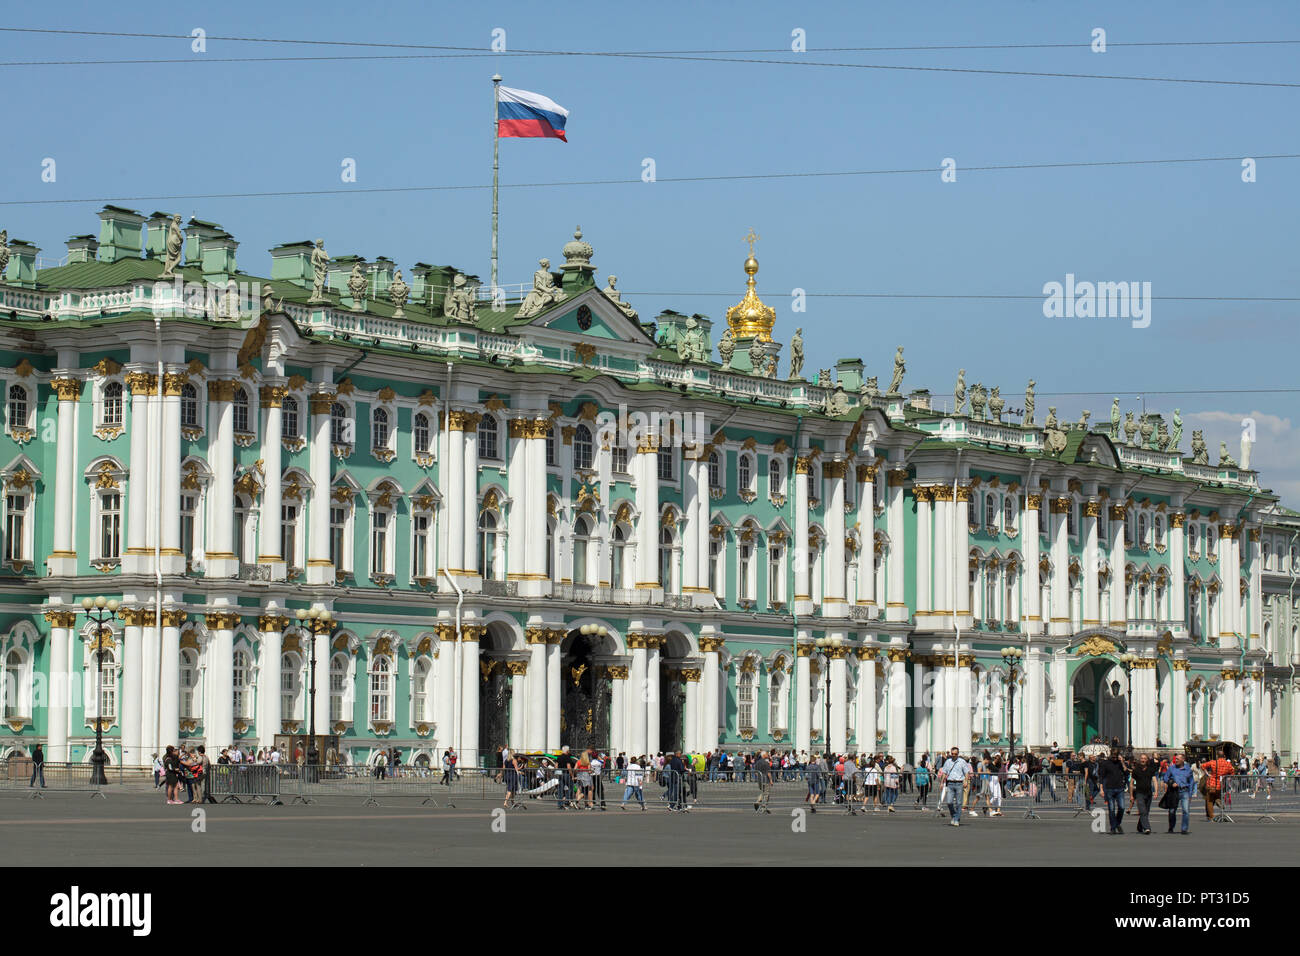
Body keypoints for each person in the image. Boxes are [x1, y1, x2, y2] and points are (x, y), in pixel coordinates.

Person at [1097, 749, 1129, 834]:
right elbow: (1102, 776)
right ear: (1111, 755)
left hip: (1120, 788)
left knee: (1122, 807)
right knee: (1111, 809)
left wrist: (1122, 762)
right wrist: (1101, 789)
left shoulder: (1120, 763)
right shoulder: (1106, 763)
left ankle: (1117, 823)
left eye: (1116, 756)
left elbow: (1126, 773)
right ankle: (1113, 828)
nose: (1115, 758)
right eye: (1113, 756)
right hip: (1109, 788)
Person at [938, 747, 972, 826]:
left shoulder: (962, 762)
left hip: (959, 783)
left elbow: (967, 772)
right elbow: (944, 772)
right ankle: (954, 816)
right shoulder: (948, 761)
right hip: (950, 783)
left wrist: (966, 781)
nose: (953, 755)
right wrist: (942, 783)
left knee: (959, 803)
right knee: (949, 802)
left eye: (955, 754)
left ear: (958, 754)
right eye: (952, 754)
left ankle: (956, 819)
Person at [1163, 753, 1195, 834]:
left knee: (1186, 811)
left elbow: (1191, 782)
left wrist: (1190, 794)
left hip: (1185, 791)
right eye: (1175, 759)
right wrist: (1171, 783)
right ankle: (1171, 827)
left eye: (1177, 759)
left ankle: (1184, 829)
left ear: (1183, 760)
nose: (1175, 760)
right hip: (1174, 792)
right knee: (1172, 811)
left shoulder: (1188, 769)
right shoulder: (1171, 768)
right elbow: (1165, 778)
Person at [1202, 749, 1234, 820]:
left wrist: (1208, 774)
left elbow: (1203, 766)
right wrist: (1228, 778)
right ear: (1224, 756)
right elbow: (1232, 771)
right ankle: (1218, 801)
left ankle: (1211, 816)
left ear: (1217, 756)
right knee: (1217, 795)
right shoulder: (1227, 764)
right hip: (1220, 785)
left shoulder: (1213, 762)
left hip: (1211, 784)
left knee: (1209, 801)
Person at [1129, 752, 1157, 834]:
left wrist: (1156, 791)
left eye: (1145, 758)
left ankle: (1139, 826)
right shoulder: (1136, 770)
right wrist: (1131, 795)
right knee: (1142, 811)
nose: (1143, 760)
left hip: (1148, 793)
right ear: (1139, 760)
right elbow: (1131, 783)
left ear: (1147, 760)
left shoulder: (1150, 769)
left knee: (1146, 812)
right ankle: (1147, 828)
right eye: (1142, 758)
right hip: (1139, 793)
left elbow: (1154, 780)